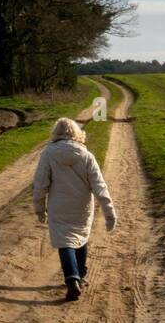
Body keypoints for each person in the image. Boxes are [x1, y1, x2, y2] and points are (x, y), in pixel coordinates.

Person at [32, 117, 117, 301]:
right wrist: (109, 213)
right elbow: (99, 186)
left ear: (55, 133)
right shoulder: (87, 156)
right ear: (77, 133)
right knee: (81, 237)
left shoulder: (48, 154)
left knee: (65, 241)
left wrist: (39, 208)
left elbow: (40, 184)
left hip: (58, 206)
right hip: (82, 206)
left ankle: (72, 279)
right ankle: (81, 274)